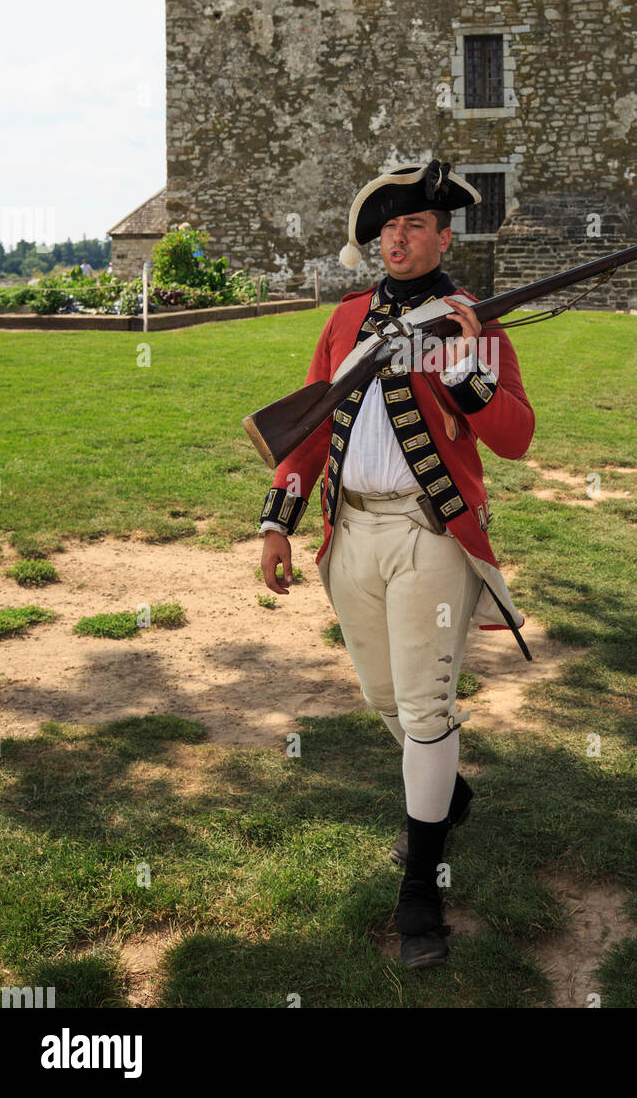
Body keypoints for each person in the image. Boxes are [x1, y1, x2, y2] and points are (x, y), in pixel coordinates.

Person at [259, 160, 535, 968]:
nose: (398, 240)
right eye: (386, 229)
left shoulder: (473, 323)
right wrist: (280, 521)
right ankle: (448, 795)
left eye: (414, 226)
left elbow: (515, 439)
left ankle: (420, 895)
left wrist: (465, 377)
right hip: (351, 534)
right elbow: (309, 424)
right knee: (385, 699)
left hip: (430, 534)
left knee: (422, 705)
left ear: (444, 237)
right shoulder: (346, 322)